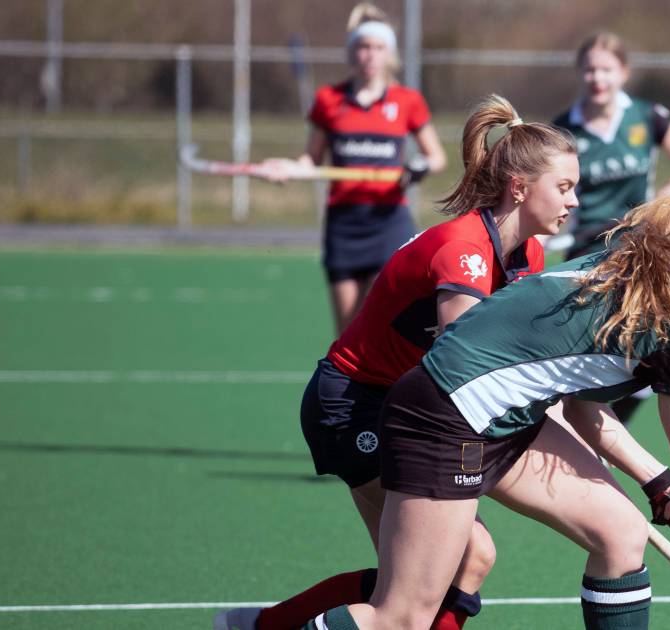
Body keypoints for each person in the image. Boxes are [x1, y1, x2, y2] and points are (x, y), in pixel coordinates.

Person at [305, 194, 670, 630]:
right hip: (445, 417)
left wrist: (655, 480)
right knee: (401, 617)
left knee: (620, 533)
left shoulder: (631, 262)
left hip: (507, 420)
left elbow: (584, 410)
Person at [213, 95, 574, 630]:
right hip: (354, 405)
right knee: (462, 557)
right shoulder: (464, 251)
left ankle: (261, 626)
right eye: (564, 187)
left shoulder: (529, 254)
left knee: (414, 580)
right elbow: (467, 370)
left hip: (407, 406)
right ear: (519, 188)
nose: (574, 200)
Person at [263, 2, 447, 334]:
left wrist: (420, 166)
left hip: (389, 222)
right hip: (344, 225)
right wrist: (288, 169)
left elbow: (436, 157)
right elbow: (311, 160)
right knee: (348, 333)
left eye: (378, 47)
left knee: (382, 324)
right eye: (363, 47)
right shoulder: (329, 100)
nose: (370, 55)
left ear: (389, 53)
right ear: (352, 52)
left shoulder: (407, 101)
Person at [552, 31, 670, 423]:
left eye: (606, 69)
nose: (597, 78)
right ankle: (576, 424)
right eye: (590, 70)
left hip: (640, 243)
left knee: (649, 337)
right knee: (585, 344)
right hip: (588, 247)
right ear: (580, 72)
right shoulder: (565, 128)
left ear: (623, 72)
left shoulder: (646, 115)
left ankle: (608, 426)